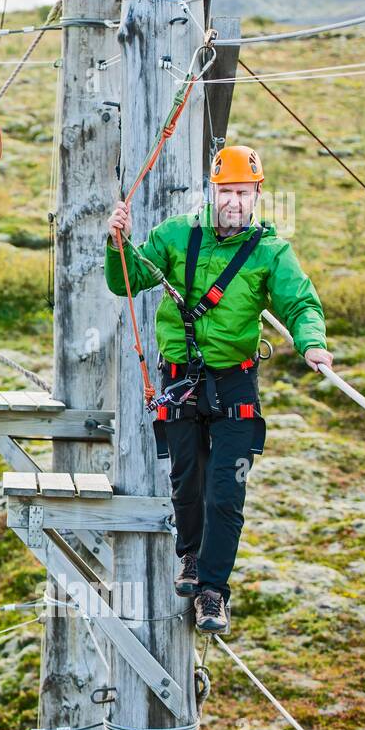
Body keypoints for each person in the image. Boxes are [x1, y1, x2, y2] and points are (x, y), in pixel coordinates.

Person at [104, 146, 333, 634]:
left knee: (226, 493)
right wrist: (118, 243)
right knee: (187, 482)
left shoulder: (272, 253)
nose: (233, 201)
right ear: (214, 191)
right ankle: (190, 559)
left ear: (256, 196)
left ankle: (212, 591)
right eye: (226, 191)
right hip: (180, 381)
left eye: (242, 193)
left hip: (235, 384)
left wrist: (312, 344)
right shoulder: (175, 236)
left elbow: (300, 304)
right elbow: (127, 281)